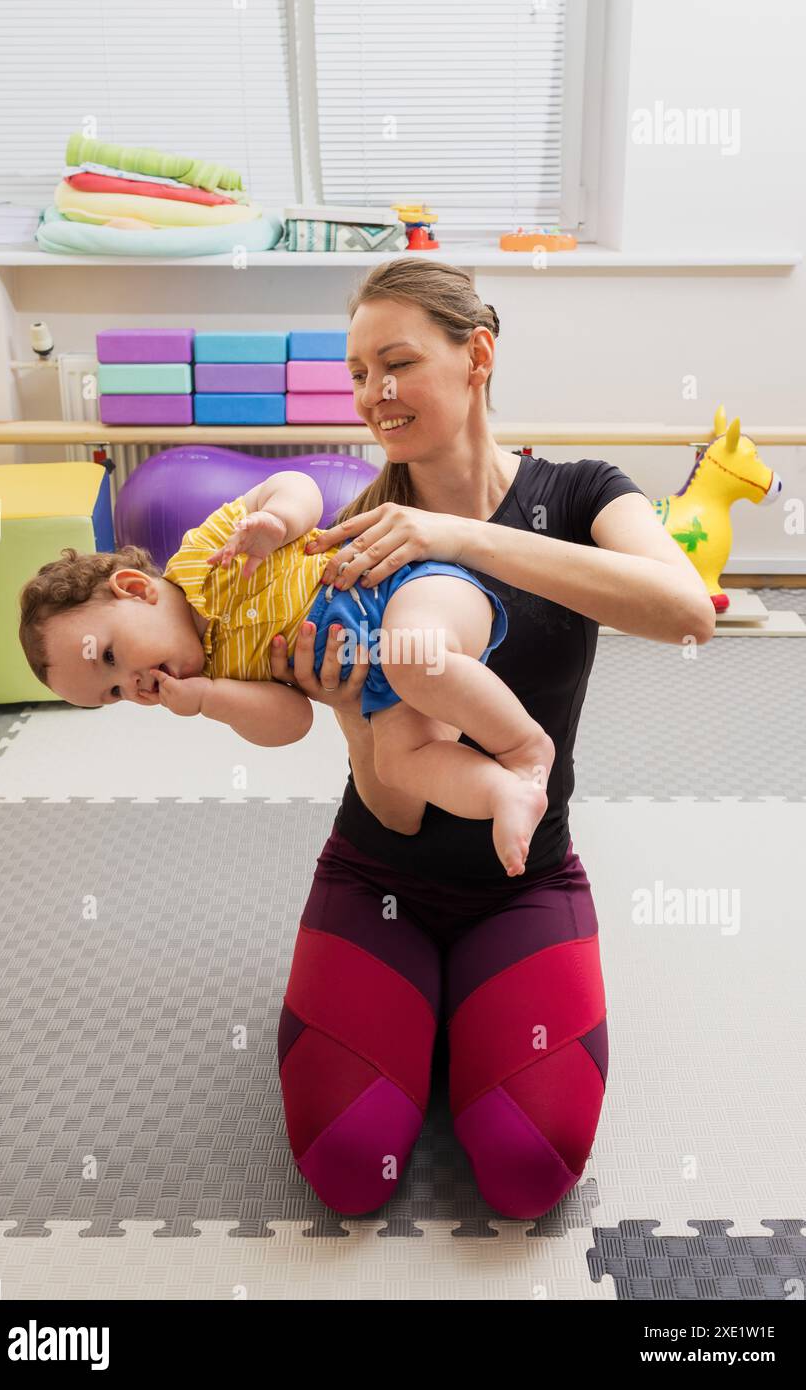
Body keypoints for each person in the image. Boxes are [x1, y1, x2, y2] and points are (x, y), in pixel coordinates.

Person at [270, 258, 715, 1218]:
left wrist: (458, 538)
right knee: (351, 1171)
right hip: (377, 870)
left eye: (396, 362)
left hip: (526, 880)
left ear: (477, 356)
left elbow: (687, 611)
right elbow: (392, 793)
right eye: (355, 374)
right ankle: (421, 1005)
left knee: (527, 1173)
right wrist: (350, 710)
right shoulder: (359, 536)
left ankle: (453, 1010)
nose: (372, 395)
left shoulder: (582, 491)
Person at [17, 467, 554, 876]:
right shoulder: (219, 680)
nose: (131, 687)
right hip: (382, 690)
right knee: (398, 763)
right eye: (112, 694)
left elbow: (296, 483)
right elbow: (292, 721)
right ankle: (504, 794)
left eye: (110, 658)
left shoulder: (205, 557)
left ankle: (527, 749)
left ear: (135, 589)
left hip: (409, 588)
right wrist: (208, 699)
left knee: (410, 654)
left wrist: (277, 521)